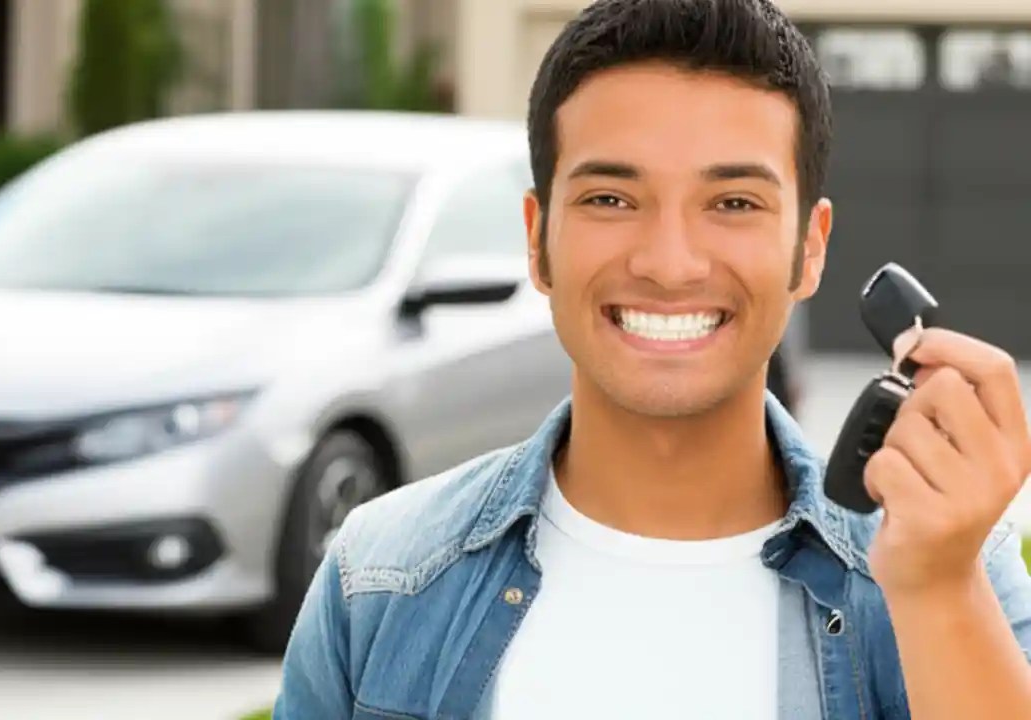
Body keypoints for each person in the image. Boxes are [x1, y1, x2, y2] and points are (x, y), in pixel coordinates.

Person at [273, 1, 1031, 717]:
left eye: (733, 202)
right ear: (538, 241)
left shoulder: (957, 568)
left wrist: (937, 590)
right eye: (610, 199)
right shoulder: (375, 578)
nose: (670, 265)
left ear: (810, 248)